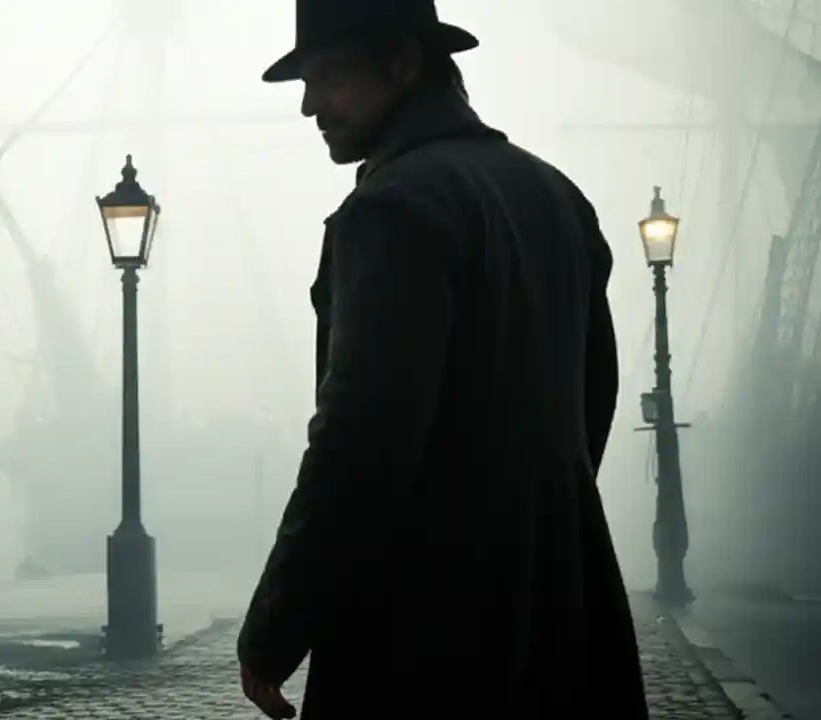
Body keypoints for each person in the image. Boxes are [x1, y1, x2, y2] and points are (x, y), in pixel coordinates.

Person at [237, 1, 648, 717]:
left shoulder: (390, 210)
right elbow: (593, 400)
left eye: (327, 76)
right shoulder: (556, 197)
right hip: (564, 616)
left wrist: (276, 626)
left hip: (425, 637)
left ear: (402, 62)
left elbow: (361, 441)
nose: (308, 106)